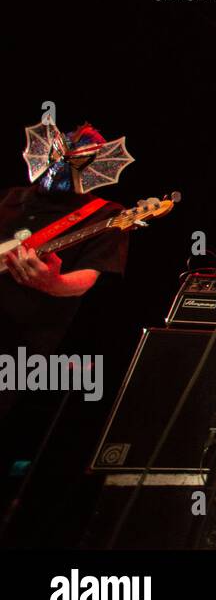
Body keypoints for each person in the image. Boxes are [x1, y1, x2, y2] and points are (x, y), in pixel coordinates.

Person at [1, 122, 130, 455]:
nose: (59, 166)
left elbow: (83, 281)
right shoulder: (11, 199)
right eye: (57, 156)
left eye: (72, 162)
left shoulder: (104, 216)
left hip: (19, 346)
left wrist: (51, 281)